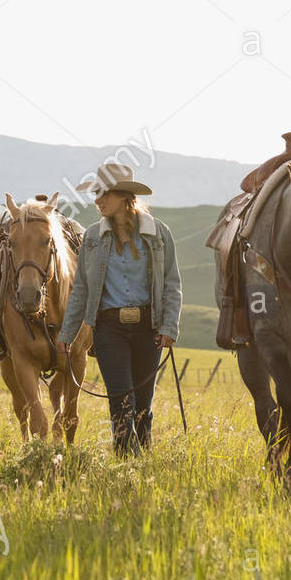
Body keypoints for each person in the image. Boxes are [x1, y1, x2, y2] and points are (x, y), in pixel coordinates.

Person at [57, 163, 182, 455]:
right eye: (96, 194)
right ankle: (126, 464)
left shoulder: (158, 234)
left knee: (142, 405)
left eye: (103, 194)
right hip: (109, 329)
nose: (97, 200)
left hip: (148, 327)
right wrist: (67, 334)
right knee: (120, 401)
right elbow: (82, 291)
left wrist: (169, 327)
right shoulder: (92, 238)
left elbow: (171, 284)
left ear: (125, 196)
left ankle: (143, 462)